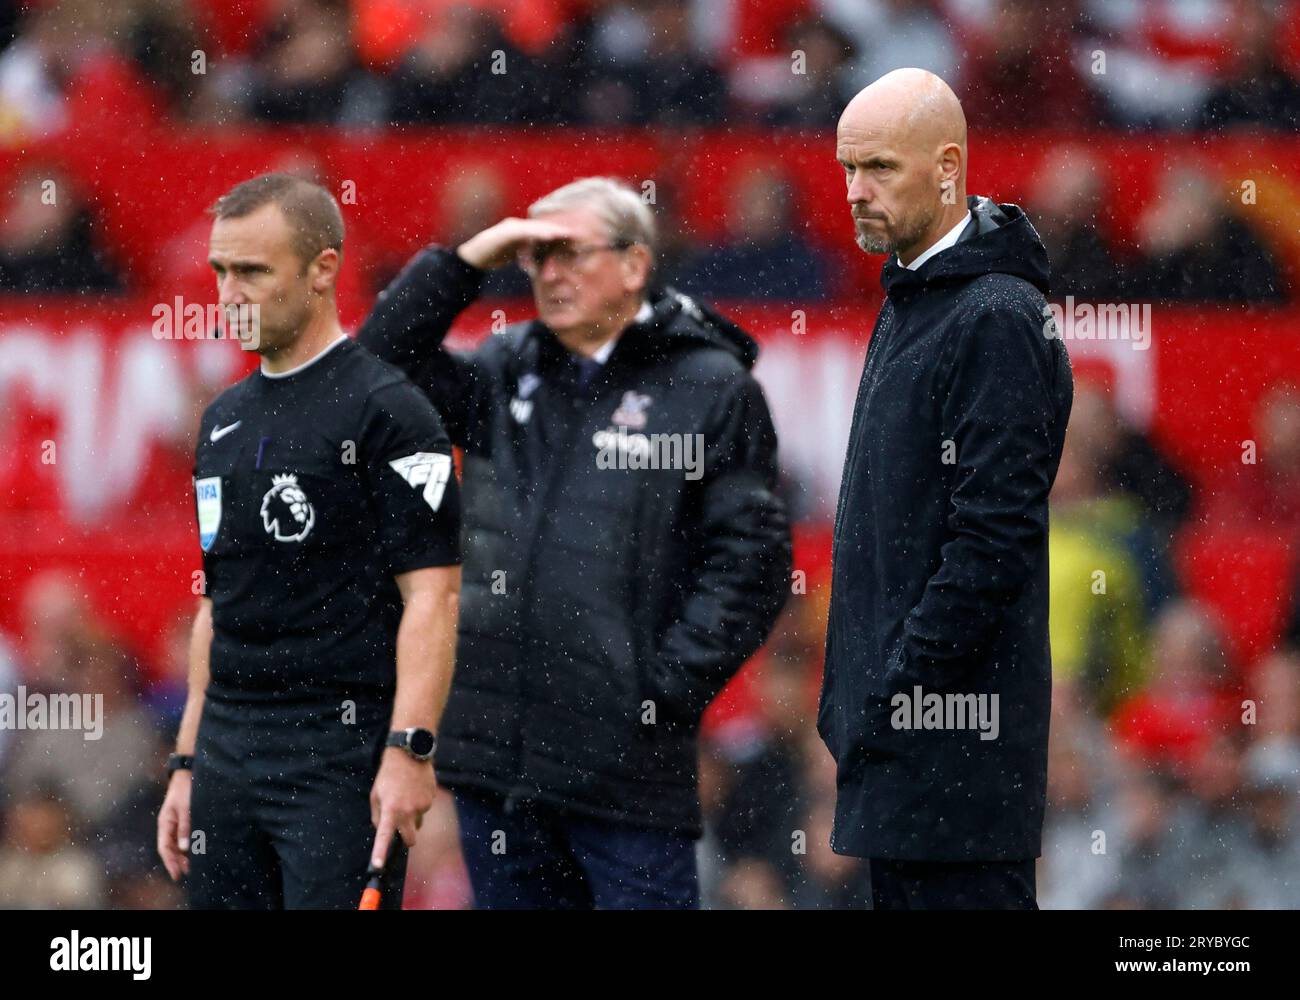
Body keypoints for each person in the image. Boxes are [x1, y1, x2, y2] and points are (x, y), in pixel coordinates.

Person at [357, 176, 791, 909]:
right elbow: (377, 368)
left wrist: (657, 692)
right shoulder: (506, 369)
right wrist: (467, 261)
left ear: (634, 264)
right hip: (498, 765)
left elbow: (754, 562)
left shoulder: (709, 387)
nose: (549, 274)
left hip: (624, 772)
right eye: (536, 256)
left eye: (570, 254)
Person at [155, 174, 462, 909]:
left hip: (339, 759)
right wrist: (188, 760)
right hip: (227, 756)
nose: (230, 292)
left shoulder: (393, 412)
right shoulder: (222, 420)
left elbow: (434, 594)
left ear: (323, 269)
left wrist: (409, 751)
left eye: (253, 271)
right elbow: (217, 604)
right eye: (220, 271)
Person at [818, 69, 1073, 909]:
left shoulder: (992, 313)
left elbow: (990, 543)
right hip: (916, 762)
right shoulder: (916, 298)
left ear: (949, 167)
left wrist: (894, 689)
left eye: (880, 168)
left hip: (958, 762)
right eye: (848, 168)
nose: (856, 191)